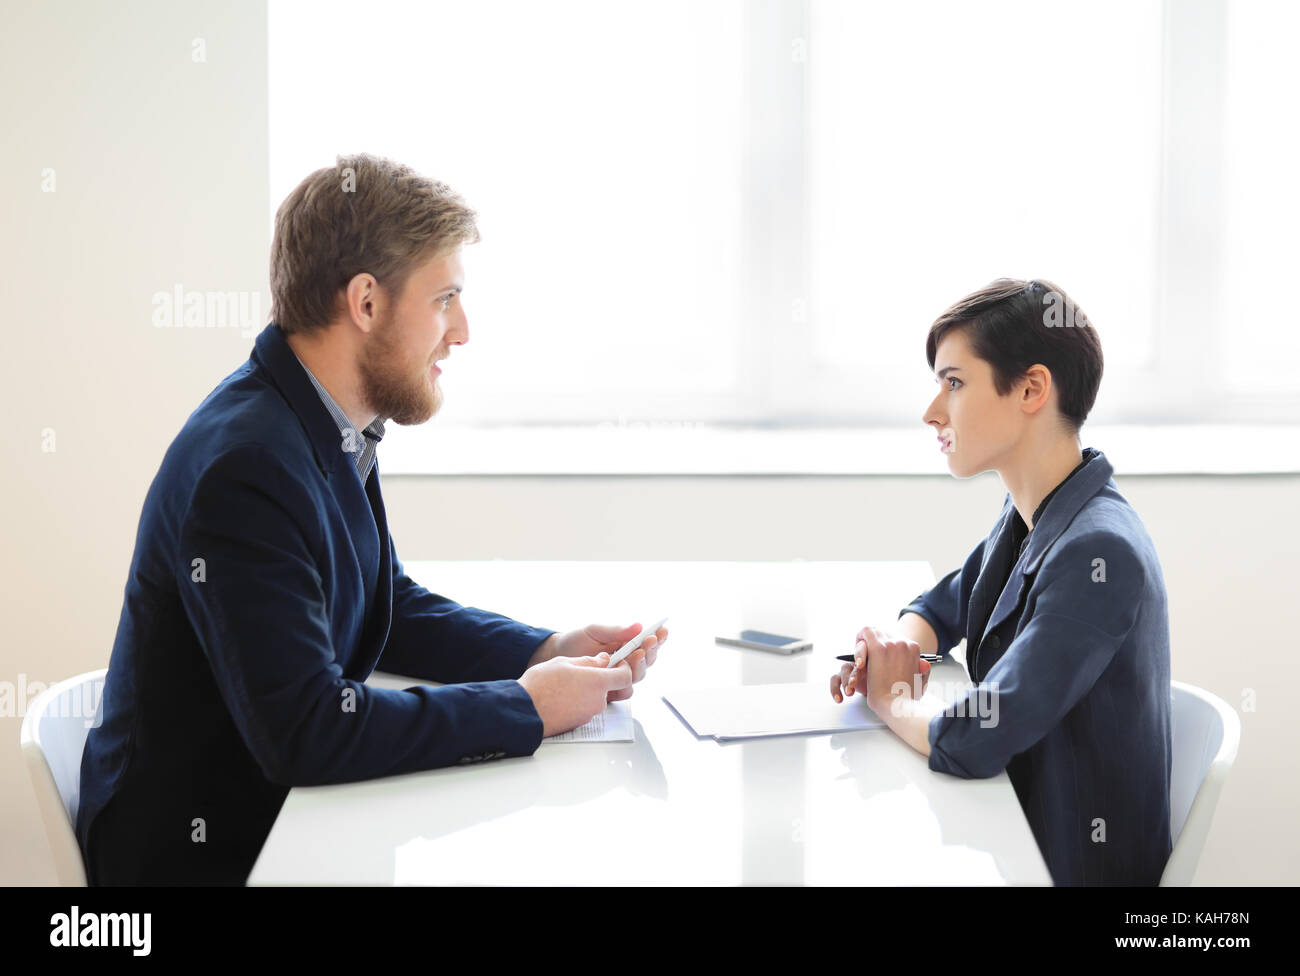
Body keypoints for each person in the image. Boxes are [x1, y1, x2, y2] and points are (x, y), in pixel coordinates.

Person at [76, 153, 668, 885]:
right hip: (205, 858)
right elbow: (308, 732)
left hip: (288, 820)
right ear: (365, 303)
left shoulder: (321, 418)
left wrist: (543, 650)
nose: (463, 332)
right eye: (445, 298)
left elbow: (390, 604)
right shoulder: (246, 468)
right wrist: (523, 708)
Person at [829, 279, 1171, 885]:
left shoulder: (1099, 549)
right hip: (1011, 835)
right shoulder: (1033, 513)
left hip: (1066, 866)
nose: (932, 410)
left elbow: (976, 736)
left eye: (954, 382)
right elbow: (940, 605)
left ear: (1032, 389)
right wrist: (893, 651)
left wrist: (890, 698)